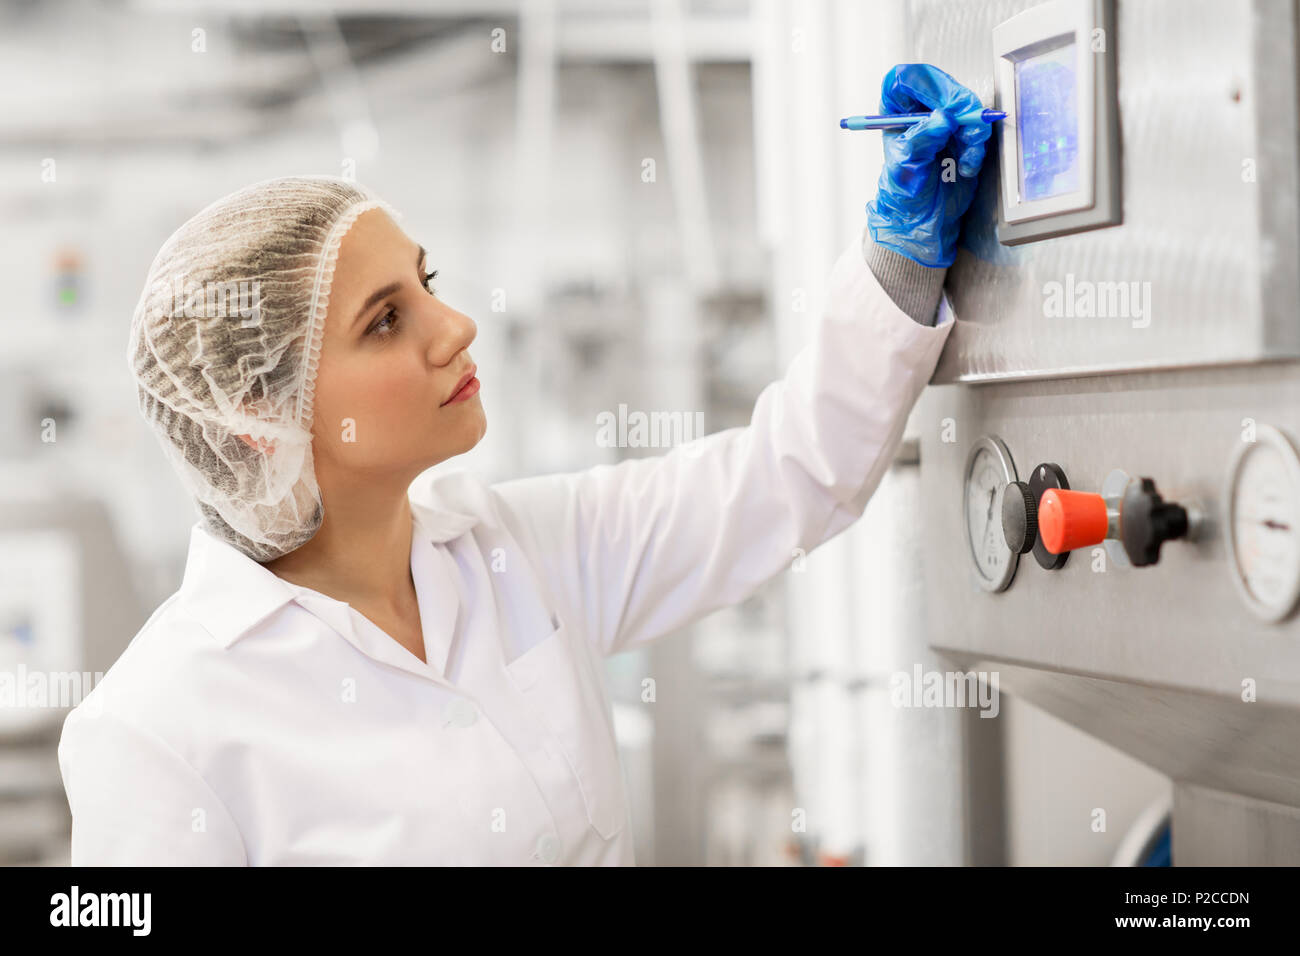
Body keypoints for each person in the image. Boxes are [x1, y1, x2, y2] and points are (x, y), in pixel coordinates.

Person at [57, 63, 989, 865]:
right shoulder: (157, 728)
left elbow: (790, 474)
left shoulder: (518, 548)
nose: (455, 327)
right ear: (259, 415)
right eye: (385, 321)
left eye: (424, 285)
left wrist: (899, 250)